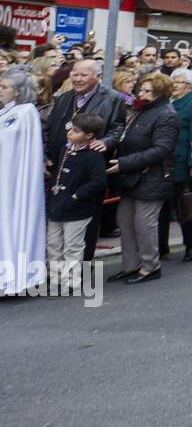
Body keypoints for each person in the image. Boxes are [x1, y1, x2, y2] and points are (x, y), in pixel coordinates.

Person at [44, 59, 126, 259]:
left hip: (88, 168)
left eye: (83, 75)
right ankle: (57, 271)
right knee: (56, 224)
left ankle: (81, 269)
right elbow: (49, 129)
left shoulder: (113, 98)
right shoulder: (64, 97)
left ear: (97, 76)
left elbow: (118, 128)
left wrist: (107, 141)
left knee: (85, 222)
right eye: (75, 74)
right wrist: (45, 156)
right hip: (60, 166)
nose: (77, 78)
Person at [106, 73, 179, 285]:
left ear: (159, 93)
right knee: (125, 221)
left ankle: (150, 266)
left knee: (144, 224)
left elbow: (162, 149)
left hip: (152, 176)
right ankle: (130, 266)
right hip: (132, 175)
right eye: (142, 90)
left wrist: (125, 163)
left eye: (148, 91)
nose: (142, 94)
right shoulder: (141, 110)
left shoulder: (166, 114)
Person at [45, 112, 107, 292]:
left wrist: (77, 196)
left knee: (72, 246)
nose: (70, 133)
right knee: (53, 244)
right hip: (57, 205)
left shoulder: (93, 155)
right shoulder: (66, 149)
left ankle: (71, 281)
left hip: (78, 209)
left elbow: (98, 181)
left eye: (76, 131)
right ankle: (56, 279)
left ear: (89, 135)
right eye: (70, 129)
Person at [0, 67, 46, 295]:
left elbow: (21, 151)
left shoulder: (26, 113)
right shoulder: (4, 112)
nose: (0, 91)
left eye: (4, 87)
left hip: (14, 181)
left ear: (17, 91)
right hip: (3, 178)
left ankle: (12, 278)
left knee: (10, 223)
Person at [158, 68, 192, 262]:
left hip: (182, 164)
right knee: (161, 209)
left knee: (185, 208)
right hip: (163, 164)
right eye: (173, 82)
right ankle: (161, 247)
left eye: (178, 82)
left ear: (189, 86)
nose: (174, 86)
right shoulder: (166, 104)